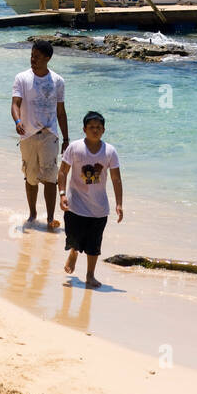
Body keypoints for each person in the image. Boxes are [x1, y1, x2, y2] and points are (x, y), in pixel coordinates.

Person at [58, 111, 123, 289]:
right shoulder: (75, 147)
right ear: (84, 129)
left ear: (103, 130)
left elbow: (116, 178)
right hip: (75, 205)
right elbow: (63, 171)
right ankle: (73, 251)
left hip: (99, 208)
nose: (95, 130)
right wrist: (62, 194)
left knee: (94, 243)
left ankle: (90, 275)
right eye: (91, 127)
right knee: (74, 236)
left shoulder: (109, 151)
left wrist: (119, 203)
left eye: (98, 127)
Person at [12, 40, 69, 231]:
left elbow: (61, 111)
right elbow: (15, 104)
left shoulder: (58, 81)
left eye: (37, 56)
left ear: (47, 58)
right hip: (27, 134)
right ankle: (32, 214)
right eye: (31, 55)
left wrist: (66, 139)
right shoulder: (22, 78)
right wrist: (18, 121)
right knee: (30, 176)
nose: (32, 59)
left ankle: (51, 218)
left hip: (49, 134)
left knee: (51, 177)